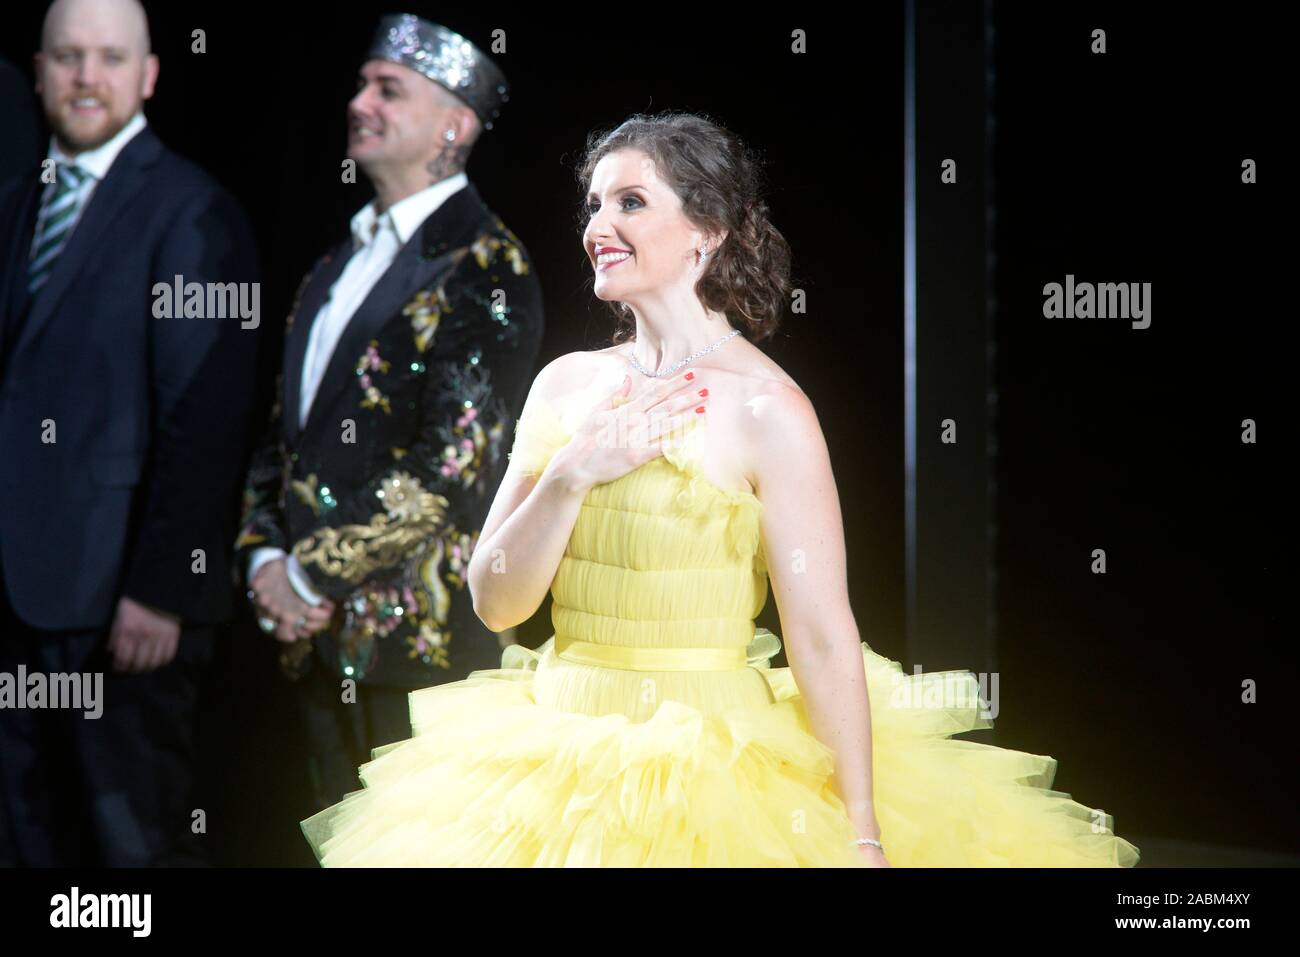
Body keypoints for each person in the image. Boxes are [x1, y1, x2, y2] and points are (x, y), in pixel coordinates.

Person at [300, 112, 1141, 867]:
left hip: (709, 763)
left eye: (630, 202)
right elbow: (494, 603)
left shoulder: (770, 407)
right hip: (551, 750)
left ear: (706, 232)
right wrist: (573, 472)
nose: (599, 226)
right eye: (593, 205)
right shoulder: (565, 386)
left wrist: (861, 832)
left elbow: (818, 633)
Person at [236, 14, 544, 812]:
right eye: (362, 83)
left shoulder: (489, 263)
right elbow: (283, 434)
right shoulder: (336, 260)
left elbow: (453, 469)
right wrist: (263, 561)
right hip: (307, 643)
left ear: (455, 124)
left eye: (388, 89)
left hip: (419, 656)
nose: (359, 102)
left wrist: (306, 574)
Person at [0, 0, 259, 866]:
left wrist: (162, 588)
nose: (86, 77)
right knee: (29, 840)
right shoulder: (14, 206)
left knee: (130, 850)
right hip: (17, 597)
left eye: (109, 58)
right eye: (68, 57)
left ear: (148, 76)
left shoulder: (191, 209)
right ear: (39, 70)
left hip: (119, 604)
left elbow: (206, 416)